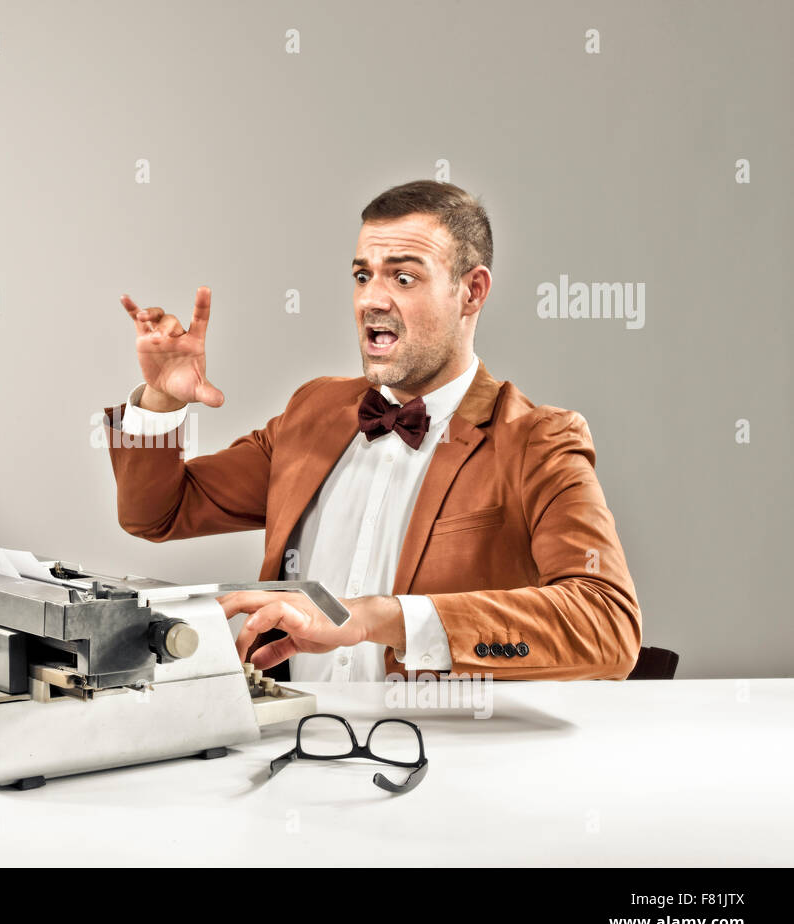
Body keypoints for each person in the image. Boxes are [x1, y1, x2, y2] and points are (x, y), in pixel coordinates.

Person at [100, 180, 641, 681]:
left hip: (443, 763)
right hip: (299, 747)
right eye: (363, 276)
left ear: (471, 292)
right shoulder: (315, 411)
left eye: (403, 277)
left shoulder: (537, 440)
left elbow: (609, 626)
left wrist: (382, 617)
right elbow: (157, 514)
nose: (372, 300)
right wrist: (161, 402)